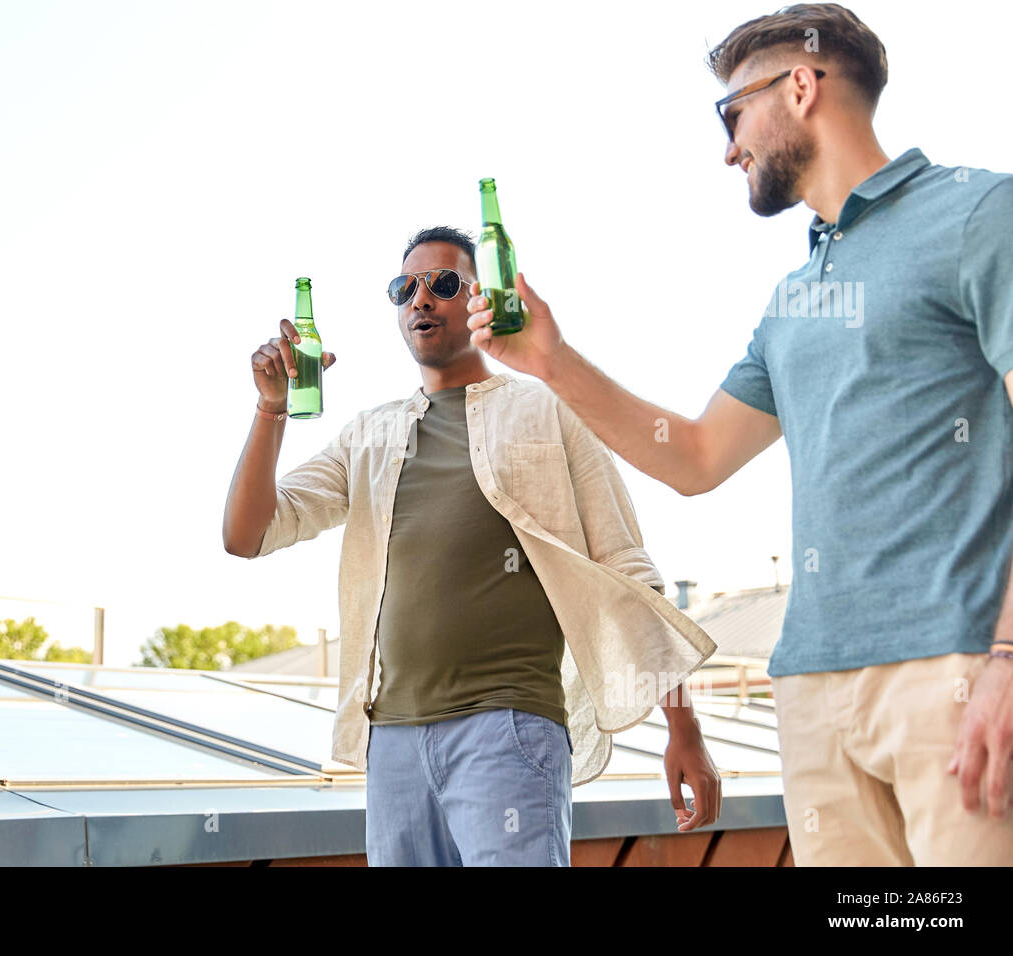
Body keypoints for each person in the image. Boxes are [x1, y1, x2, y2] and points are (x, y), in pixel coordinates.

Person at [467, 3, 1013, 865]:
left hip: (953, 672)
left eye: (733, 113)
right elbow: (693, 457)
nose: (729, 148)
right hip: (813, 691)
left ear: (801, 85)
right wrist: (553, 361)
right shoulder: (795, 296)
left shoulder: (981, 214)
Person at [223, 226, 718, 866]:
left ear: (479, 298)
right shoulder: (368, 436)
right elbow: (247, 534)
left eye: (444, 284)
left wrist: (684, 731)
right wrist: (271, 410)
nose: (420, 299)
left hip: (507, 730)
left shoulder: (550, 411)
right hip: (393, 741)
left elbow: (626, 570)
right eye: (405, 288)